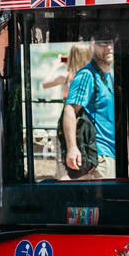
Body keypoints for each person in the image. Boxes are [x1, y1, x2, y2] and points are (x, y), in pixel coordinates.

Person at [62, 31, 115, 180]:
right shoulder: (87, 75)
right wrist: (72, 148)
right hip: (100, 157)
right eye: (103, 43)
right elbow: (70, 109)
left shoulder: (110, 77)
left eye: (110, 42)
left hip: (113, 156)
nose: (109, 47)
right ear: (92, 45)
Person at [44, 43, 92, 180]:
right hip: (86, 122)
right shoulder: (90, 76)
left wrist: (56, 65)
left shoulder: (67, 77)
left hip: (67, 120)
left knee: (64, 162)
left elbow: (45, 83)